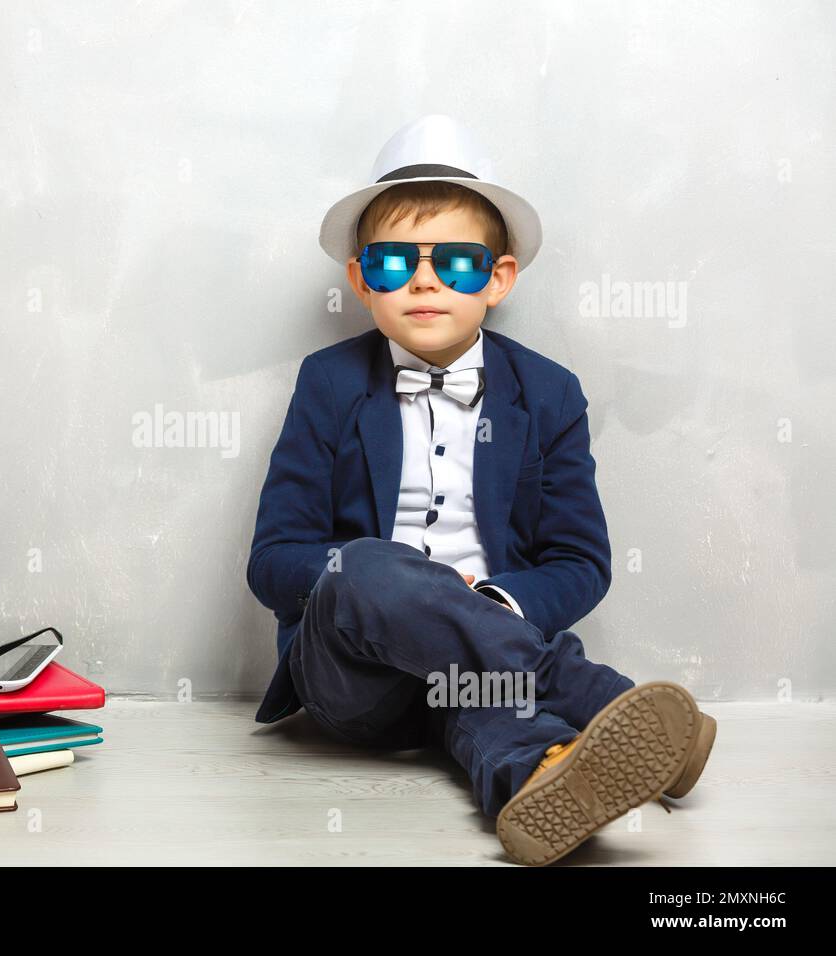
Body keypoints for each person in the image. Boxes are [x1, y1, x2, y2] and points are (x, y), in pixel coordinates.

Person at [245, 114, 716, 865]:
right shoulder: (329, 383)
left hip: (471, 679)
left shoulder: (550, 394)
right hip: (352, 676)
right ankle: (579, 685)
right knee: (364, 564)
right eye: (395, 262)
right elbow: (272, 562)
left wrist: (486, 605)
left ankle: (548, 772)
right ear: (361, 280)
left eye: (457, 263)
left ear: (499, 278)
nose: (425, 280)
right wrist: (402, 584)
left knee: (482, 706)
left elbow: (579, 561)